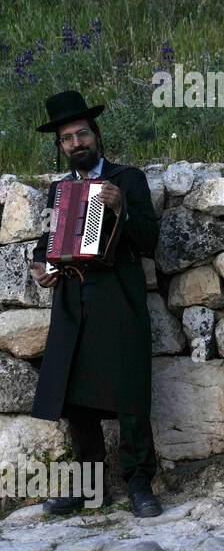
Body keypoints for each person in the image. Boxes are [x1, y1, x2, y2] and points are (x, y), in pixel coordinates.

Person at [29, 90, 162, 518]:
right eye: (66, 139)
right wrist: (40, 267)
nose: (75, 144)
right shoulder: (59, 190)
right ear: (61, 146)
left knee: (129, 393)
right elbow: (45, 245)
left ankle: (140, 483)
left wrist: (121, 207)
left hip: (117, 300)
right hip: (71, 301)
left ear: (96, 135)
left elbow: (149, 242)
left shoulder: (128, 179)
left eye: (81, 134)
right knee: (76, 399)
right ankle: (89, 489)